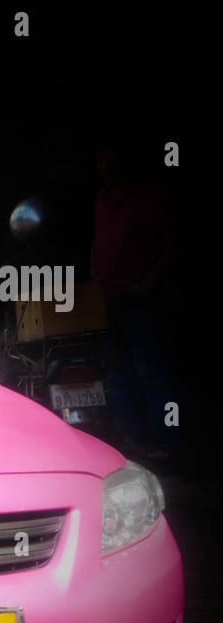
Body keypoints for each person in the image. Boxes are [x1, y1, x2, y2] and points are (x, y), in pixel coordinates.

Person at [91, 142, 178, 460]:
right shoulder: (101, 199)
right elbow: (99, 242)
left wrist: (148, 283)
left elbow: (173, 243)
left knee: (152, 371)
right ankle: (133, 443)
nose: (102, 166)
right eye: (99, 160)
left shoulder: (150, 196)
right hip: (109, 299)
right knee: (118, 374)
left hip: (139, 297)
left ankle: (168, 444)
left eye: (108, 158)